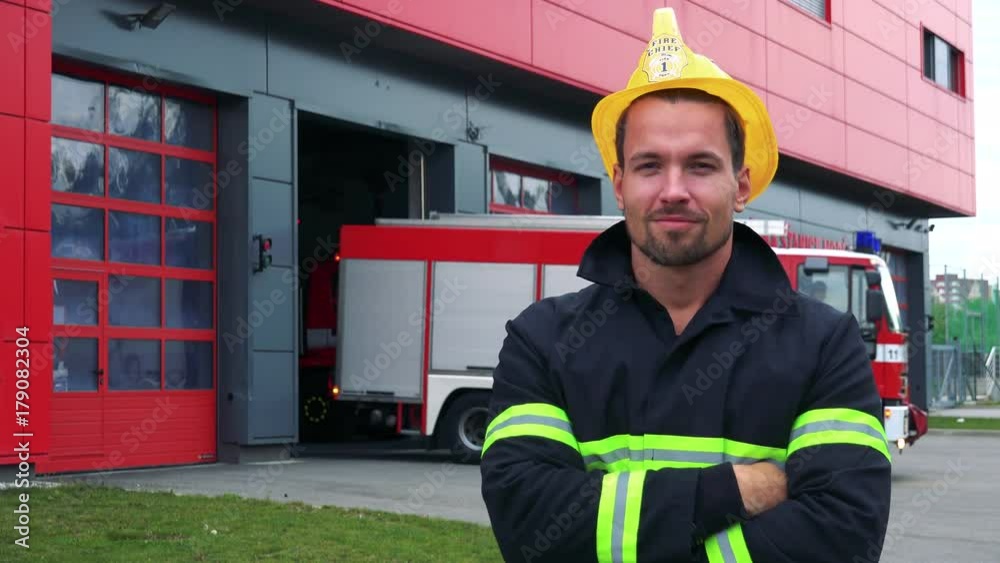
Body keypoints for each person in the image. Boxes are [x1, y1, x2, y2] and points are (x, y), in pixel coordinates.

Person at [479, 8, 891, 563]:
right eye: (650, 166)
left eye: (700, 165)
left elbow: (843, 537)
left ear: (741, 184)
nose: (673, 190)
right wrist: (735, 490)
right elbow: (531, 527)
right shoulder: (542, 340)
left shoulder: (825, 345)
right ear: (620, 183)